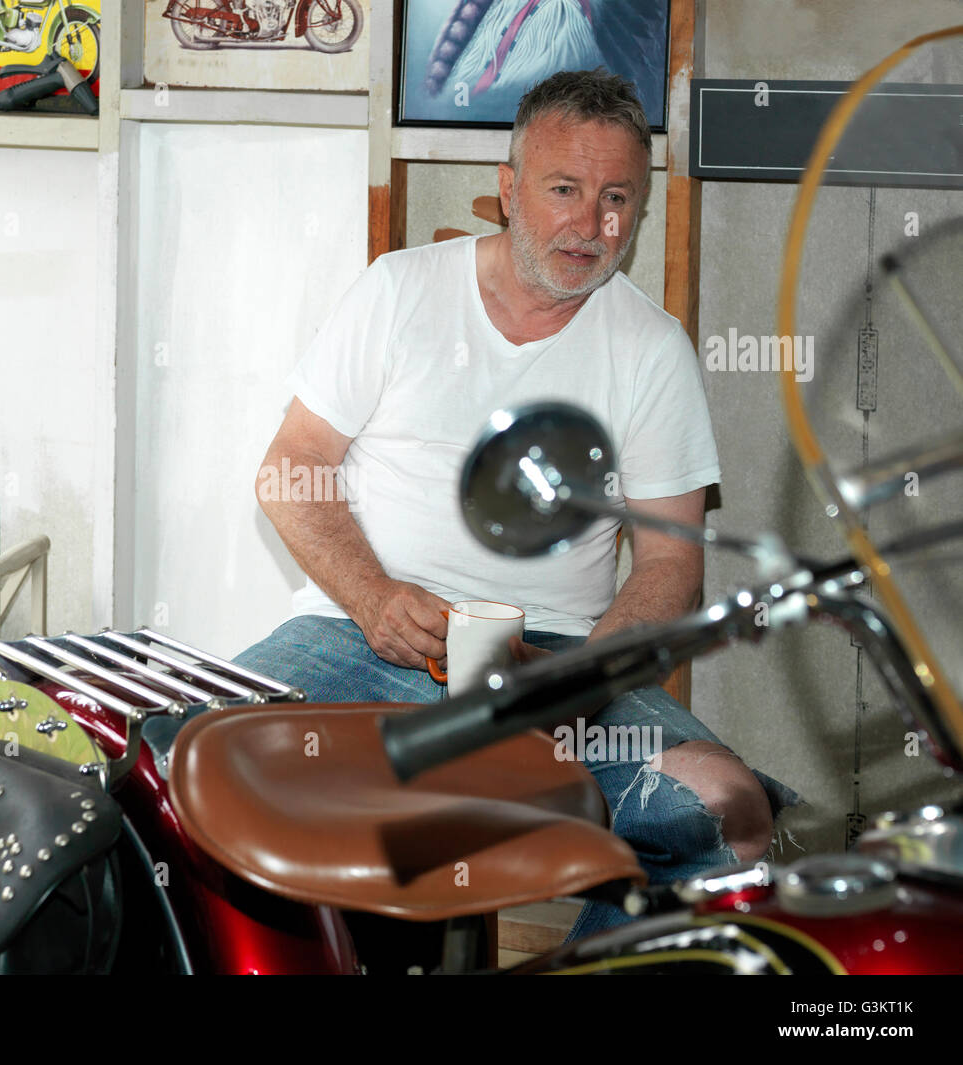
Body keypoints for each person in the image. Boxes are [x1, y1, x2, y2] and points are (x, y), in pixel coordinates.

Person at [234, 68, 798, 943]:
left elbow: (670, 566)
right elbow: (291, 468)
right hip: (360, 637)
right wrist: (374, 598)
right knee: (185, 759)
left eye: (618, 198)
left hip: (559, 663)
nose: (592, 223)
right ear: (507, 189)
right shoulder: (401, 289)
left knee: (729, 813)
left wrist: (578, 684)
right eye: (565, 189)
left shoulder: (652, 351)